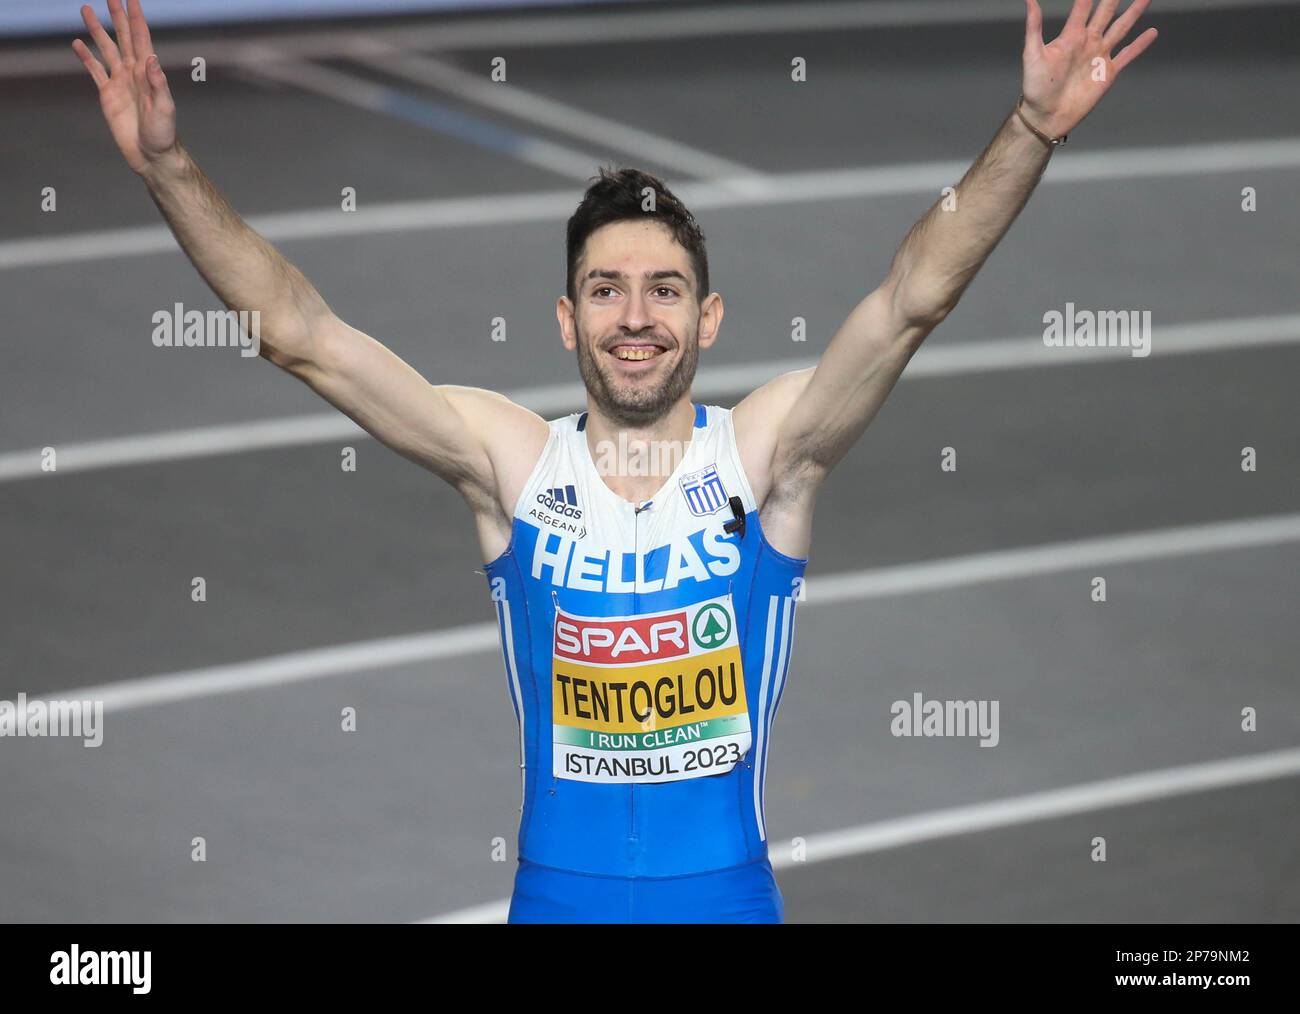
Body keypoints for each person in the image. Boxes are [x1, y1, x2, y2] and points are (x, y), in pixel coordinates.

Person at [72, 0, 1158, 923]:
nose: (635, 318)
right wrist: (168, 167)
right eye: (605, 289)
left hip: (723, 899)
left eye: (664, 289)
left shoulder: (765, 454)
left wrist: (1028, 126)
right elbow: (301, 334)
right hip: (559, 901)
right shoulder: (507, 464)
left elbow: (912, 299)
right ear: (563, 319)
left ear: (709, 316)